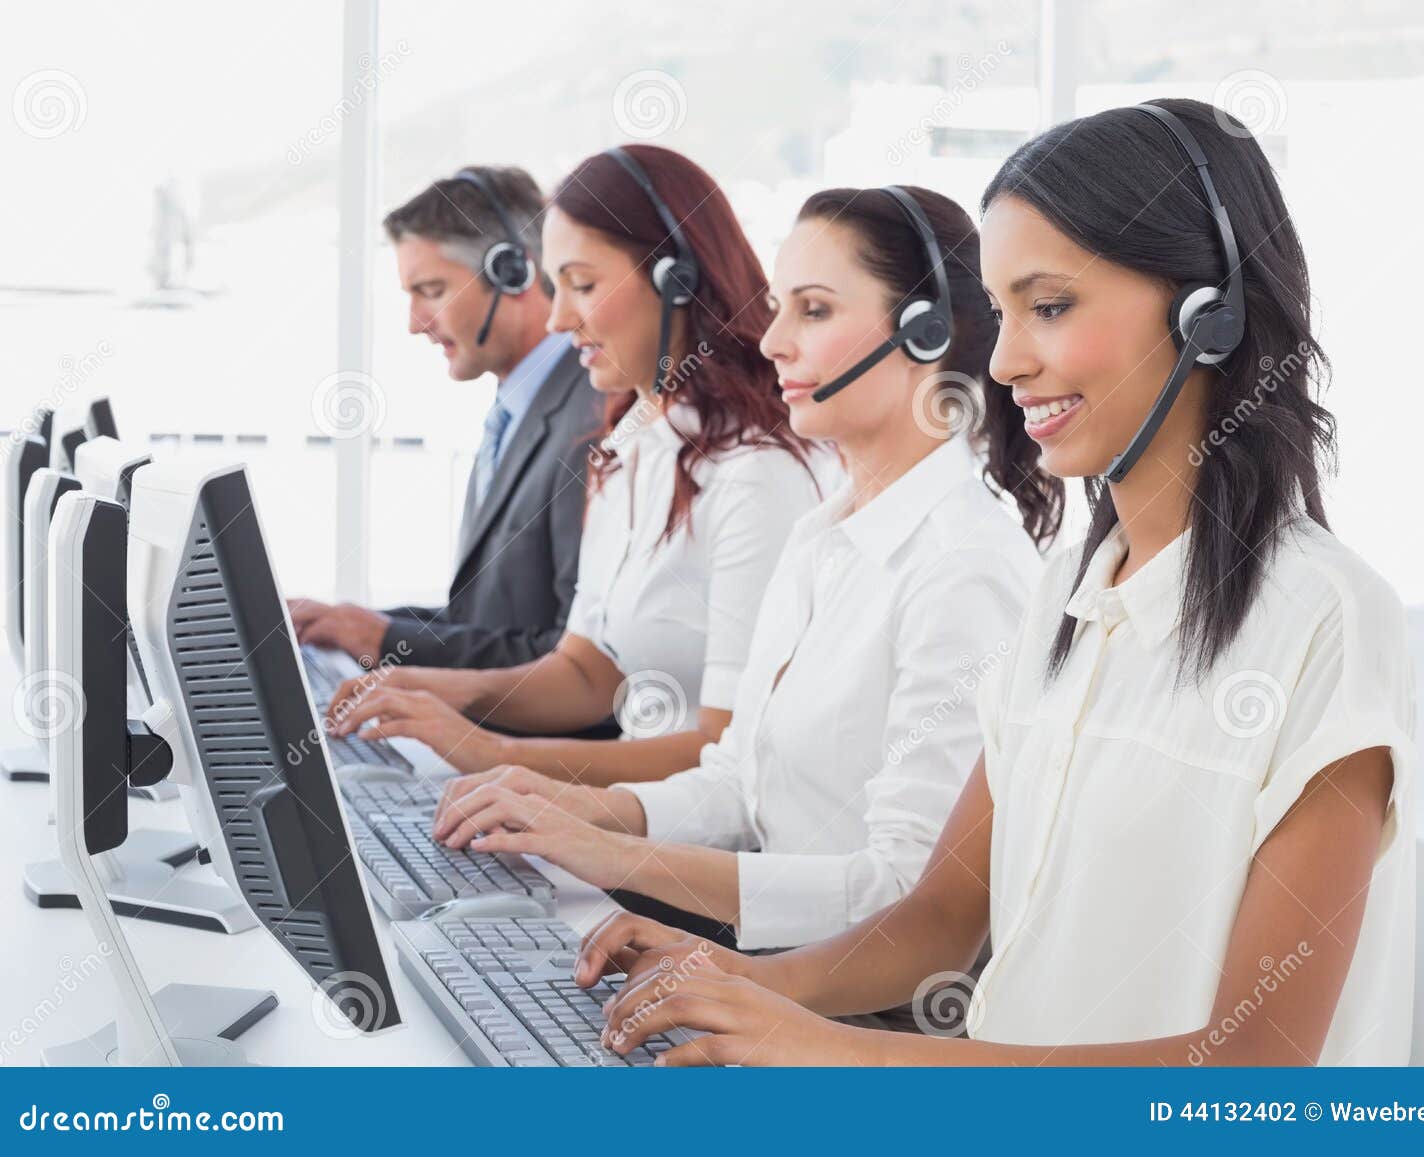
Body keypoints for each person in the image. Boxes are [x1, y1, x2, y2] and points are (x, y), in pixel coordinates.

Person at [566, 99, 1417, 1066]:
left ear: (1206, 317)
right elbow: (937, 921)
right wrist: (742, 985)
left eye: (1049, 307)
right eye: (1003, 312)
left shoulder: (1326, 622)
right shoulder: (1071, 590)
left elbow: (1253, 1069)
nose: (1006, 361)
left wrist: (841, 1053)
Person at [428, 185, 1061, 965]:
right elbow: (737, 783)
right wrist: (580, 810)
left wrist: (616, 858)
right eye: (777, 307)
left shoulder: (965, 569)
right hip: (769, 971)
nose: (772, 342)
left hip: (862, 1023)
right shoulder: (819, 537)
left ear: (925, 332)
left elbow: (907, 894)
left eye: (815, 310)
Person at [325, 145, 822, 786]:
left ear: (679, 279)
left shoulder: (756, 471)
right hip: (632, 829)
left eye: (582, 285)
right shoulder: (627, 445)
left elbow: (728, 751)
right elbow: (588, 671)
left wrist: (492, 755)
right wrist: (420, 687)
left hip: (694, 849)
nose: (560, 318)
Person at [290, 165, 601, 671]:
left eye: (431, 291)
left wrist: (386, 639)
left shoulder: (591, 417)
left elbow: (574, 661)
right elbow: (488, 619)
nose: (415, 325)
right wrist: (355, 625)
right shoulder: (515, 410)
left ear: (513, 272)